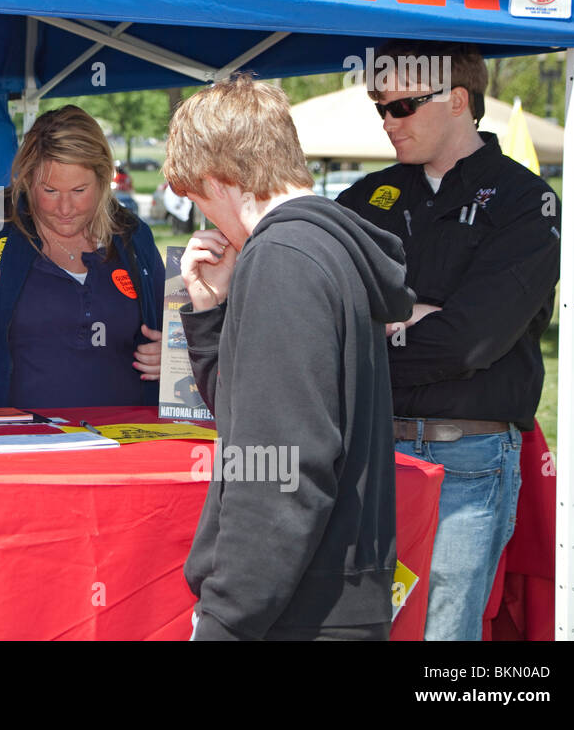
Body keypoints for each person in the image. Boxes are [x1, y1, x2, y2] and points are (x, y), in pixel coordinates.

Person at [165, 74, 412, 640]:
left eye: (199, 200)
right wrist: (212, 313)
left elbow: (280, 464)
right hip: (329, 593)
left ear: (217, 178)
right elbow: (248, 417)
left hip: (297, 606)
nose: (208, 222)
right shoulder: (320, 248)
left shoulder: (283, 258)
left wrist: (227, 616)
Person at [338, 40, 560, 641]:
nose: (387, 121)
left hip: (466, 458)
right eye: (379, 105)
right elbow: (330, 317)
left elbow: (471, 341)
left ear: (458, 100)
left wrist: (383, 331)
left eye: (402, 105)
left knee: (441, 638)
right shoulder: (364, 198)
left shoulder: (525, 202)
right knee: (353, 627)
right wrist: (423, 312)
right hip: (368, 450)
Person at [0, 105, 165, 410]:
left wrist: (172, 355)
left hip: (123, 443)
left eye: (80, 190)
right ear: (27, 179)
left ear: (104, 178)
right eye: (50, 191)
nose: (65, 208)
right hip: (11, 443)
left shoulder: (131, 236)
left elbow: (172, 330)